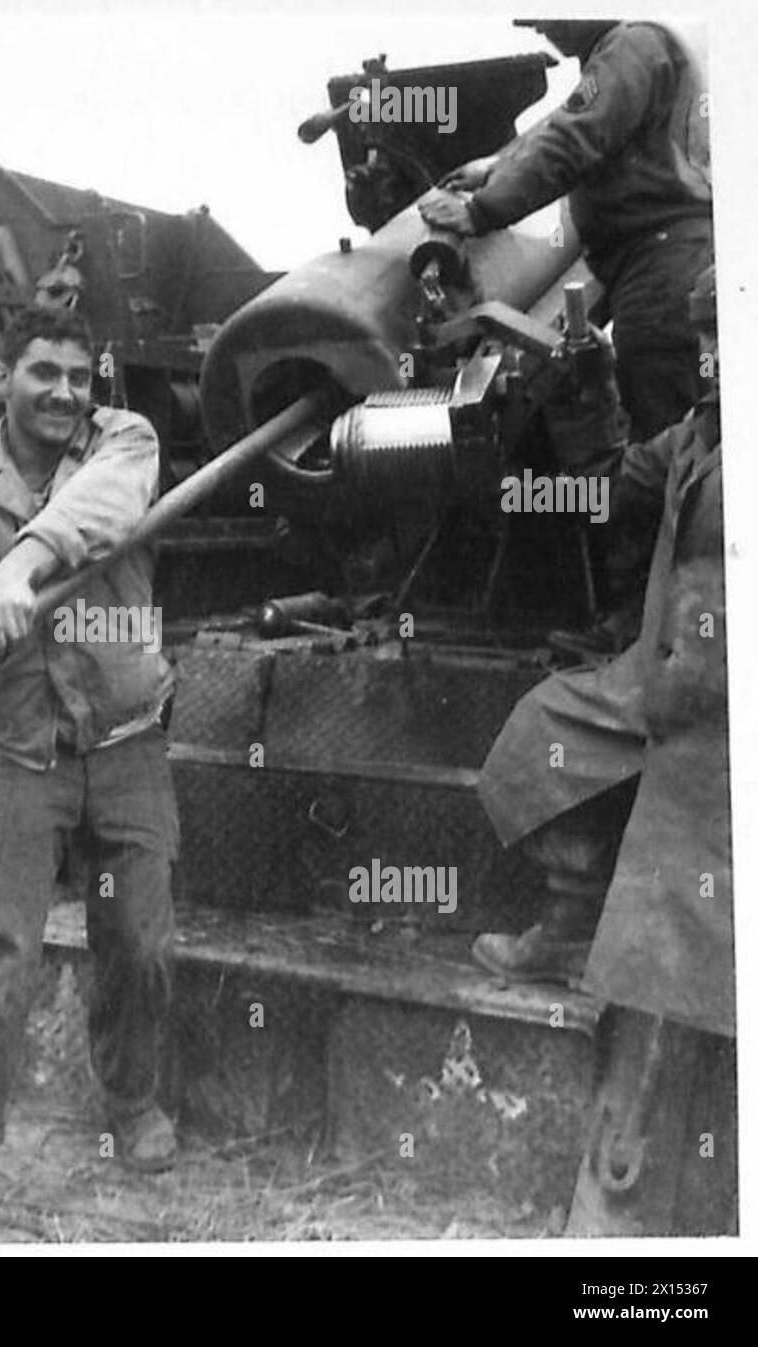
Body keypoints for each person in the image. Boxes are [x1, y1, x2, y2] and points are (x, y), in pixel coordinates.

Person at [472, 266, 733, 1234]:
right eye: (703, 340)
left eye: (729, 339)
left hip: (723, 719)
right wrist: (583, 397)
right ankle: (570, 916)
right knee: (547, 726)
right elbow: (613, 485)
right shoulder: (694, 436)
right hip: (656, 681)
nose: (711, 360)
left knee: (677, 966)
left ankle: (634, 1198)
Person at [0, 304, 180, 1172]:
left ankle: (134, 1102)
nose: (66, 392)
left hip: (125, 737)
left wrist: (21, 567)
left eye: (79, 375)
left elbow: (100, 511)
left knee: (139, 942)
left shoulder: (126, 440)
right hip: (20, 747)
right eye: (44, 374)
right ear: (2, 381)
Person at [421, 20, 712, 653]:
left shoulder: (632, 45)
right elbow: (571, 122)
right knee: (666, 444)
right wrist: (496, 166)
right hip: (658, 262)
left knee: (664, 442)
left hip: (663, 268)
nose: (543, 24)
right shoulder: (627, 54)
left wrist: (478, 212)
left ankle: (648, 635)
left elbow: (577, 136)